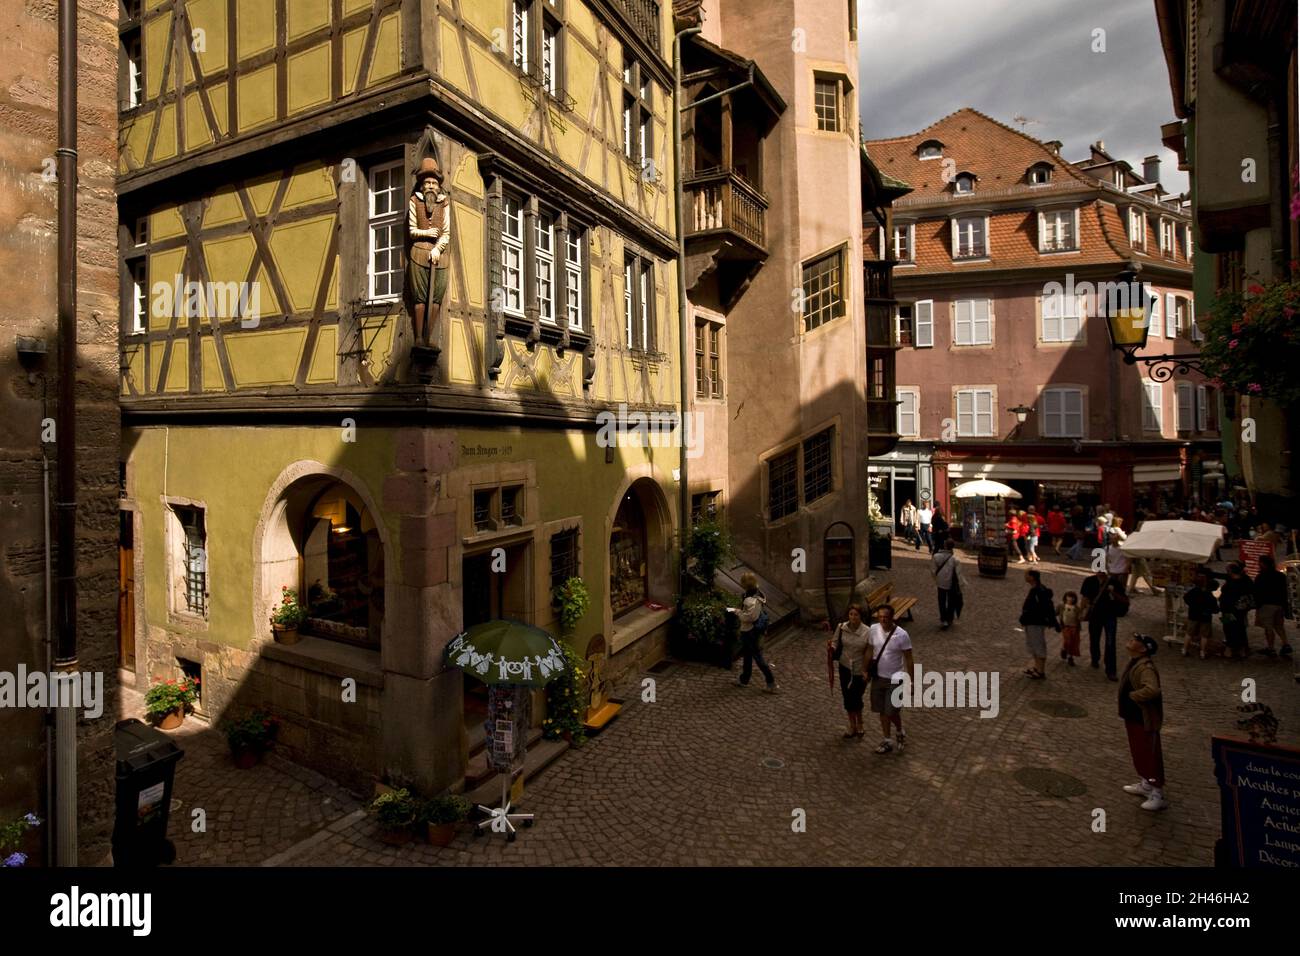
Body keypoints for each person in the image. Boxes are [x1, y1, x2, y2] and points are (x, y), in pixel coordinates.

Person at [404, 157, 451, 347]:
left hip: (440, 256)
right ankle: (418, 337)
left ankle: (429, 336)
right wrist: (426, 233)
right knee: (420, 297)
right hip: (418, 253)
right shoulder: (415, 201)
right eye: (427, 182)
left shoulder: (444, 203)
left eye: (434, 183)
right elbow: (412, 231)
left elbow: (446, 232)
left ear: (439, 186)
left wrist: (438, 248)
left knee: (436, 297)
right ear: (422, 186)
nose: (431, 186)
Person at [1119, 633, 1168, 811]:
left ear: (1143, 648)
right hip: (1133, 717)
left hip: (1143, 719)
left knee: (1149, 753)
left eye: (1135, 641)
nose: (1131, 641)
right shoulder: (1136, 661)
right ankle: (1146, 783)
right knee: (1139, 751)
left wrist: (1133, 696)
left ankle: (1157, 793)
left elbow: (1152, 690)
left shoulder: (1145, 667)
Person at [866, 605, 914, 754]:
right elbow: (869, 650)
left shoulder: (902, 635)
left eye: (885, 617)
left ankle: (899, 730)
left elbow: (909, 659)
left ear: (892, 617)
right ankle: (887, 739)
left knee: (891, 711)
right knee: (882, 710)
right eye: (880, 617)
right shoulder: (873, 629)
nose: (882, 620)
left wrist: (912, 681)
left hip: (896, 679)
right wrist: (864, 669)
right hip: (879, 678)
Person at [828, 605, 871, 738]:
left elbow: (870, 652)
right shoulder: (842, 628)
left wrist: (866, 670)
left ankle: (860, 723)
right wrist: (831, 647)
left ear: (861, 616)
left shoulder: (867, 632)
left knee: (856, 697)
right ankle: (852, 725)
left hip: (859, 669)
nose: (853, 617)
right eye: (851, 614)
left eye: (856, 615)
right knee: (847, 697)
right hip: (845, 667)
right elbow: (835, 643)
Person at [729, 573, 777, 692]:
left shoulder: (752, 600)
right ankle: (744, 679)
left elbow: (750, 617)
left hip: (750, 631)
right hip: (750, 630)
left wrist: (737, 612)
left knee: (757, 657)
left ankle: (771, 683)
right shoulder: (755, 594)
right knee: (748, 656)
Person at [1081, 567, 1126, 679]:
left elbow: (1125, 600)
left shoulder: (1114, 583)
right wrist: (1080, 612)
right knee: (1094, 638)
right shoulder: (1089, 581)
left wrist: (1113, 592)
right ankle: (1095, 658)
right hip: (1095, 615)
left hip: (1110, 615)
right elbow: (1085, 598)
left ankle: (1111, 669)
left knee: (1110, 642)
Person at [1019, 569, 1059, 679]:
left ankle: (1041, 670)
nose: (1025, 577)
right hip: (1031, 621)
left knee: (1038, 645)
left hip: (1036, 622)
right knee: (1033, 645)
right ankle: (1036, 667)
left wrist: (1053, 622)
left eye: (1026, 575)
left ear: (1032, 577)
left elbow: (1046, 607)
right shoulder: (1036, 589)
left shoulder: (1038, 591)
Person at [1253, 555, 1293, 658]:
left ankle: (1271, 648)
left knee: (1268, 628)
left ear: (1263, 564)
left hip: (1266, 605)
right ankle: (1285, 644)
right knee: (1279, 626)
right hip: (1279, 604)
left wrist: (1257, 605)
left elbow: (1257, 592)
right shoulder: (1280, 576)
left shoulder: (1261, 577)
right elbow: (1286, 590)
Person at [1218, 562, 1254, 660]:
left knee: (1228, 628)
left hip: (1228, 610)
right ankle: (1241, 650)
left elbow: (1224, 596)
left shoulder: (1230, 583)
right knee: (1240, 628)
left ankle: (1229, 650)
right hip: (1240, 610)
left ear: (1230, 572)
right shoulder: (1245, 580)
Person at [1182, 569, 1220, 659]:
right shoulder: (1211, 598)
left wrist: (1192, 605)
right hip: (1205, 617)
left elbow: (1186, 597)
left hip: (1193, 615)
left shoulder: (1195, 591)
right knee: (1204, 635)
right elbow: (1215, 610)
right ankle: (1202, 652)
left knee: (1189, 633)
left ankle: (1184, 649)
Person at [931, 535, 963, 630]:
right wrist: (961, 584)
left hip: (940, 583)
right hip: (951, 584)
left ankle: (943, 619)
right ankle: (949, 618)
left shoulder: (936, 556)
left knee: (941, 601)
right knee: (951, 601)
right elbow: (958, 573)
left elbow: (933, 571)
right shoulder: (955, 559)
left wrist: (936, 580)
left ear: (944, 545)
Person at [1058, 591, 1082, 666]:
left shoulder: (1076, 608)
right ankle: (1064, 649)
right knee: (1067, 640)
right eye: (1069, 597)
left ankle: (1070, 656)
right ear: (1065, 597)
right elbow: (1055, 612)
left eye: (1072, 597)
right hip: (1065, 627)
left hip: (1074, 627)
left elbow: (1079, 616)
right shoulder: (1062, 606)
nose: (1070, 599)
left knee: (1073, 642)